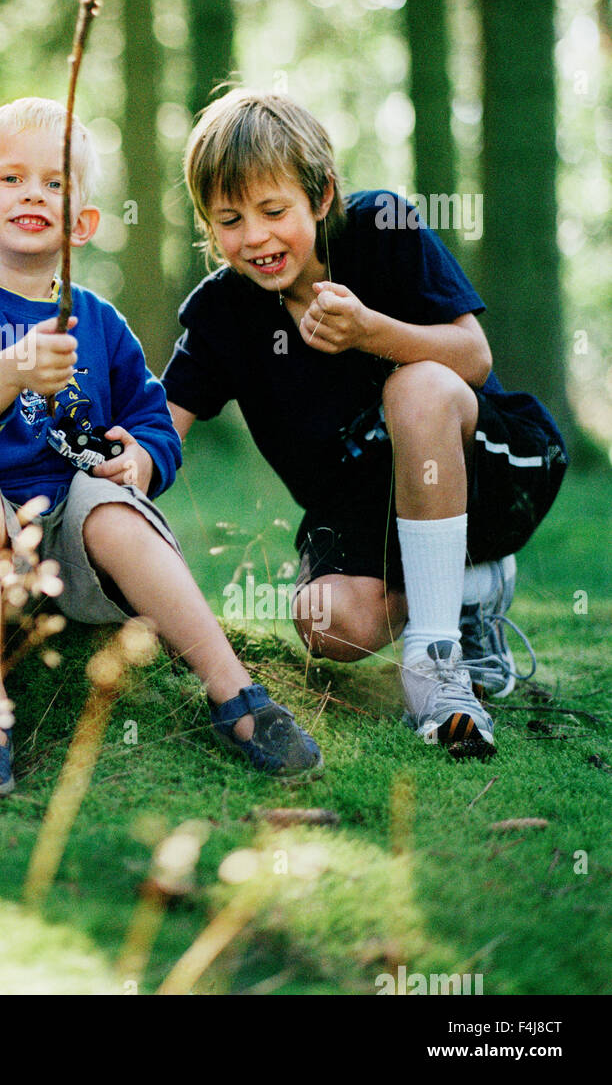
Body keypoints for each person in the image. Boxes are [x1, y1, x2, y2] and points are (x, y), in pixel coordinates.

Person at [0, 97, 323, 794]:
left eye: (56, 184)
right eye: (12, 178)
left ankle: (235, 693)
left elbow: (152, 418)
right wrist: (6, 372)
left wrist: (146, 458)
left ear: (83, 224)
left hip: (74, 550)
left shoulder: (100, 322)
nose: (35, 192)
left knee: (110, 503)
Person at [162, 89, 567, 760]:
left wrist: (371, 332)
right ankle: (471, 590)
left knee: (417, 387)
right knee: (327, 624)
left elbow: (473, 356)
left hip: (483, 464)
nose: (255, 237)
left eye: (273, 210)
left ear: (320, 197)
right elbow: (160, 426)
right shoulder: (220, 316)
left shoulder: (383, 228)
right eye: (229, 220)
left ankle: (437, 672)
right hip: (362, 512)